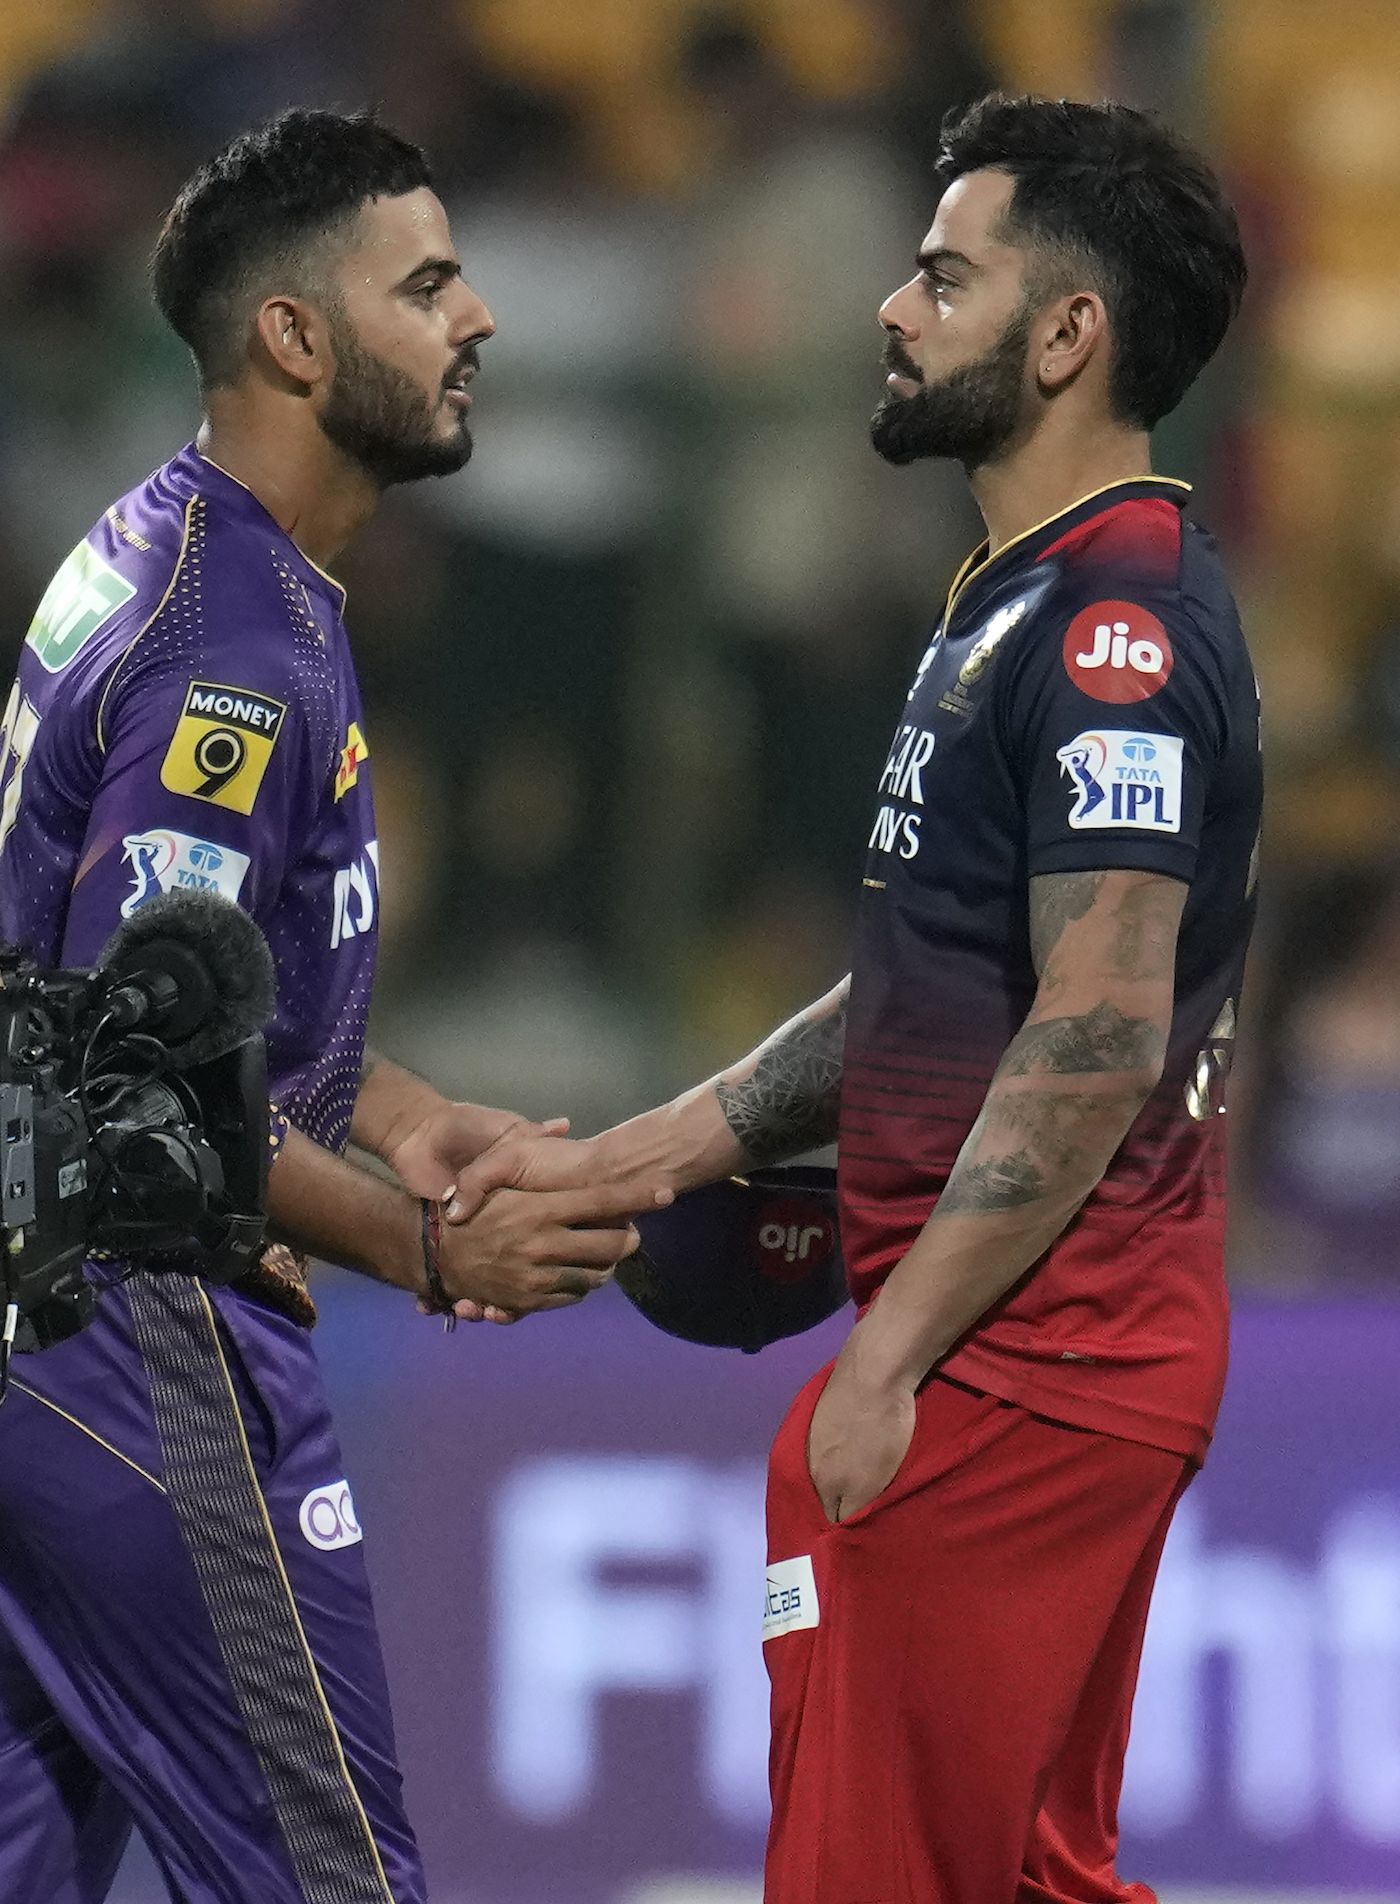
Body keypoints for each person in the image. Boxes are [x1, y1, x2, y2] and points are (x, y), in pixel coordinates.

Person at [453, 93, 1258, 1904]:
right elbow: (926, 987)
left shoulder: (1112, 625)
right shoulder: (1012, 603)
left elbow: (1103, 1019)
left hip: (1029, 1367)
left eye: (943, 276)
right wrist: (652, 1151)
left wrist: (883, 1364)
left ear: (1068, 336)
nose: (893, 310)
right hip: (1042, 1356)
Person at [0, 108, 661, 1904]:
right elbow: (126, 1069)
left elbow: (156, 976)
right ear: (296, 337)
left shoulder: (174, 552)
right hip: (136, 1339)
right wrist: (422, 1248)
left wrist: (390, 1105)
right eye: (429, 283)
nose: (481, 319)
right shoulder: (235, 647)